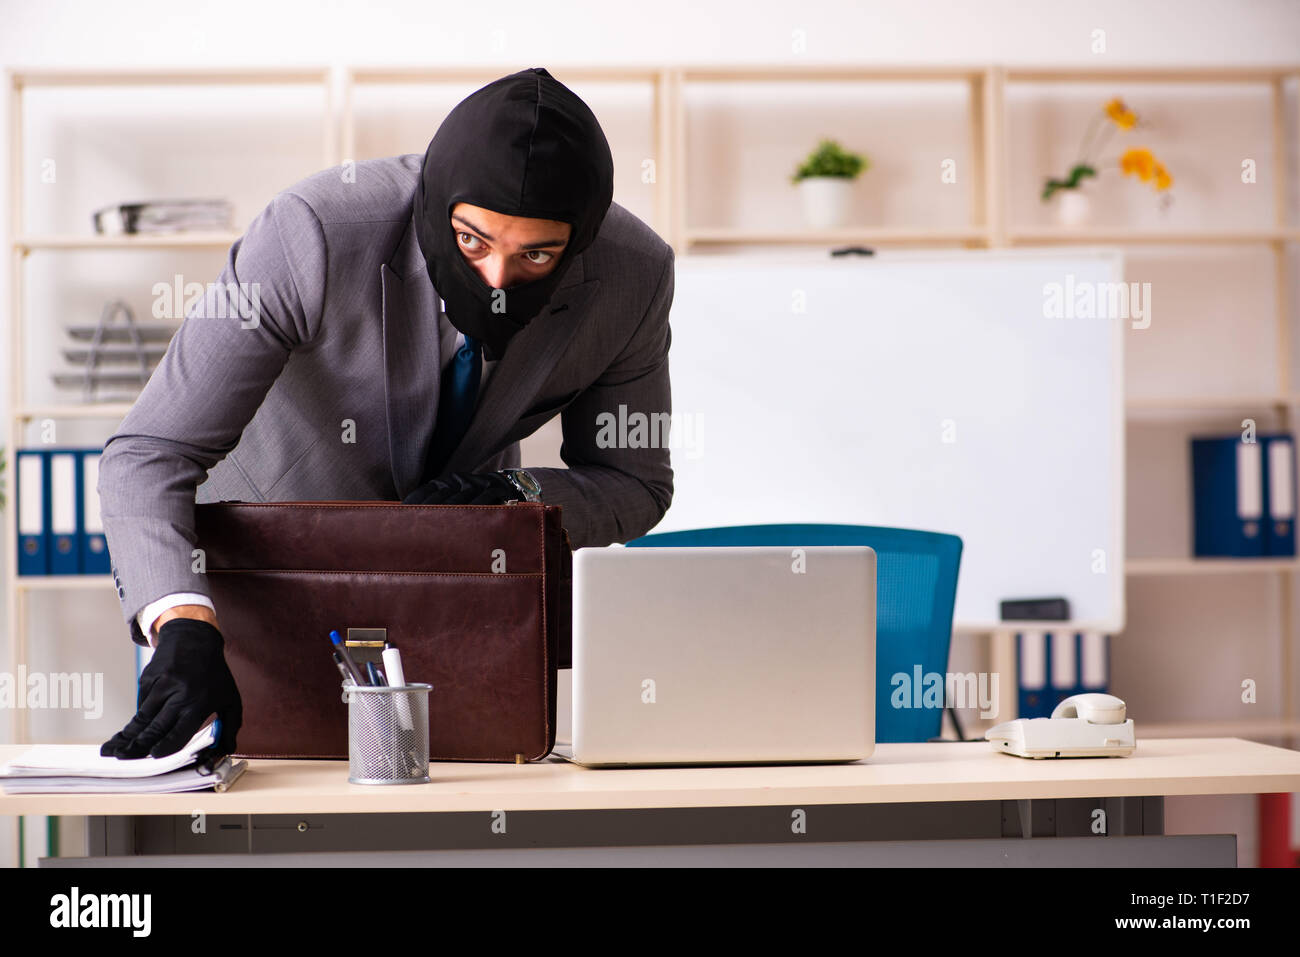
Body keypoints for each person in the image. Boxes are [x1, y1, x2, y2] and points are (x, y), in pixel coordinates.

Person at [98, 67, 675, 764]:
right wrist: (179, 620)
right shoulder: (311, 233)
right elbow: (150, 451)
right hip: (256, 603)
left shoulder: (632, 276)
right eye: (472, 241)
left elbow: (635, 481)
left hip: (460, 601)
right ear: (436, 206)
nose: (496, 281)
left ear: (578, 244)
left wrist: (520, 496)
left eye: (536, 255)